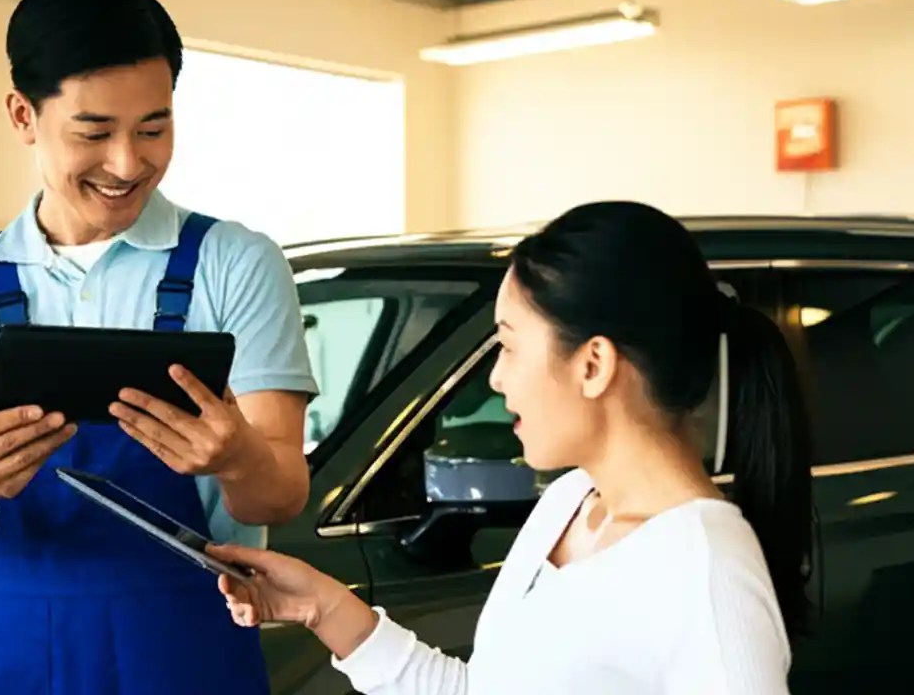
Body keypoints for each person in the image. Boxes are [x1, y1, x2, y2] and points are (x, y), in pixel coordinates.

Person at [0, 0, 316, 692]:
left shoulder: (235, 263)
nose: (127, 163)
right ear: (23, 115)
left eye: (153, 128)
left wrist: (236, 457)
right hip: (17, 657)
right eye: (94, 132)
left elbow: (280, 494)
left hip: (188, 652)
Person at [211, 201, 813, 694]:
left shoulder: (704, 568)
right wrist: (323, 605)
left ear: (594, 364)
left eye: (509, 345)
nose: (496, 379)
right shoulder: (571, 503)